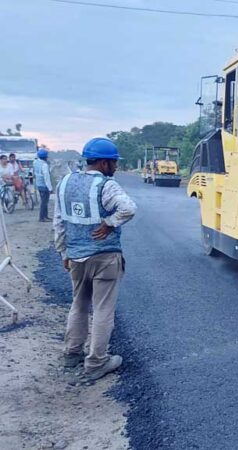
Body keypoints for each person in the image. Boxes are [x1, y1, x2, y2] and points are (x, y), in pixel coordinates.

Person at [55, 137, 137, 383]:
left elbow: (59, 222)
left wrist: (63, 252)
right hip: (105, 257)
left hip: (76, 257)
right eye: (113, 163)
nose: (115, 168)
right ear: (103, 163)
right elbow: (129, 208)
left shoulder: (65, 182)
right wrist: (109, 223)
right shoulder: (107, 186)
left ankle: (72, 353)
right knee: (103, 309)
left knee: (79, 304)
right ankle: (97, 362)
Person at [33, 148, 53, 222]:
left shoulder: (35, 162)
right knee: (44, 203)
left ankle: (45, 216)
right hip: (44, 186)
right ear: (45, 157)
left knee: (44, 201)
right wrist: (50, 188)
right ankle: (42, 217)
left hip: (39, 185)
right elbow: (46, 178)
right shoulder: (44, 165)